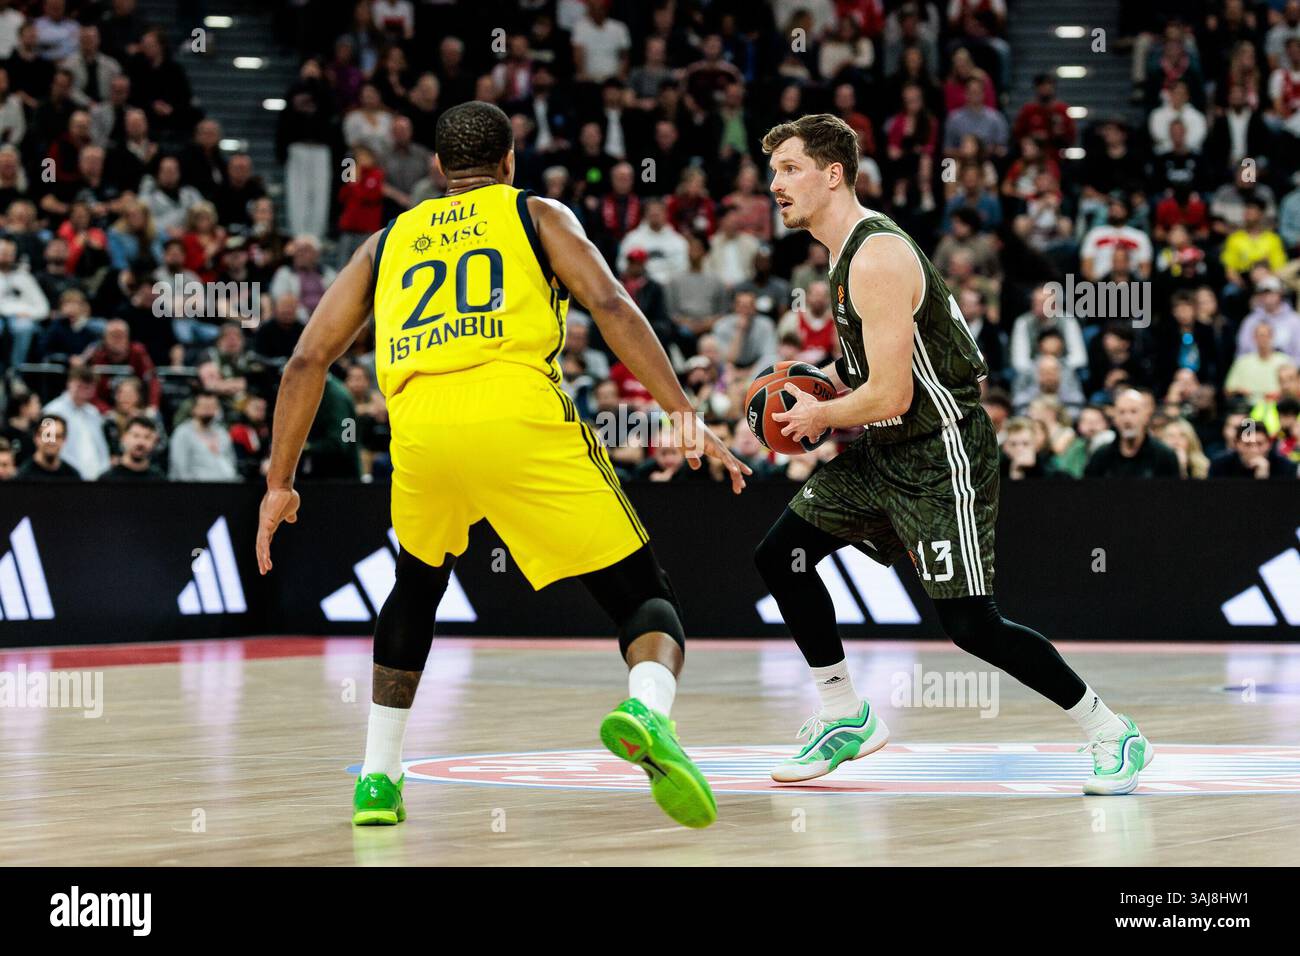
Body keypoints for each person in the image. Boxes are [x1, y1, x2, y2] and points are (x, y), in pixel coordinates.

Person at [253, 101, 749, 831]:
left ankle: (378, 783)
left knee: (415, 588)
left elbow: (305, 361)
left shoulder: (386, 240)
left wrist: (279, 483)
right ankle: (646, 708)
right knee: (646, 597)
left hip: (421, 429)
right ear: (510, 163)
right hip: (518, 415)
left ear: (436, 170)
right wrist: (682, 412)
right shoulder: (536, 214)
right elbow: (610, 304)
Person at [755, 114, 1151, 795]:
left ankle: (1113, 732)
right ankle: (845, 712)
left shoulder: (875, 256)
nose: (775, 184)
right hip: (887, 449)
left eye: (789, 169)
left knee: (971, 625)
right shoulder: (844, 251)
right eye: (773, 172)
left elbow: (890, 395)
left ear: (833, 174)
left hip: (941, 453)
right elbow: (883, 383)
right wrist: (819, 389)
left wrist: (821, 412)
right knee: (779, 556)